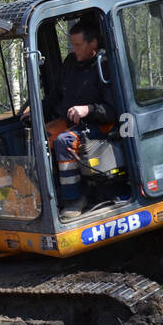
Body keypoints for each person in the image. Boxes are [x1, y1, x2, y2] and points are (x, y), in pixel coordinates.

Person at [43, 17, 118, 221]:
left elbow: (113, 110)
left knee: (64, 141)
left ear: (93, 43)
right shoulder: (70, 63)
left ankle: (74, 199)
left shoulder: (105, 65)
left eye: (78, 45)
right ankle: (48, 197)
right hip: (70, 121)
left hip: (99, 124)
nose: (74, 50)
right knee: (38, 138)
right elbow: (56, 93)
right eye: (72, 44)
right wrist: (37, 109)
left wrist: (88, 109)